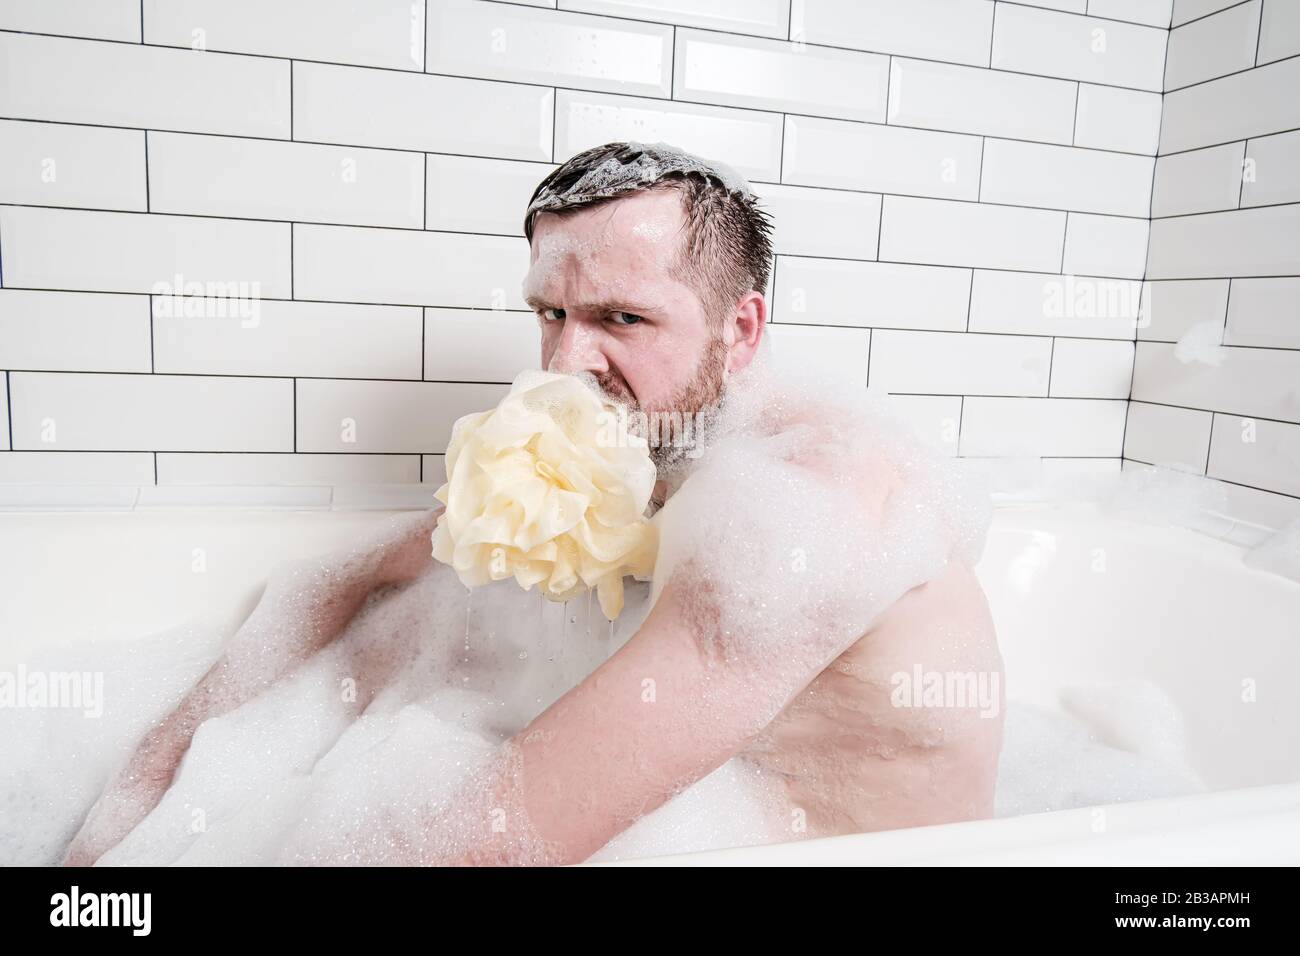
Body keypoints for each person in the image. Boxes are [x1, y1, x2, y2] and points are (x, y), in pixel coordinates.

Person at [64, 142, 1003, 866]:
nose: (564, 364)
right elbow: (350, 578)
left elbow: (494, 839)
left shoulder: (809, 509)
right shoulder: (649, 451)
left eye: (620, 318)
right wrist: (124, 811)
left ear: (741, 328)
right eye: (551, 313)